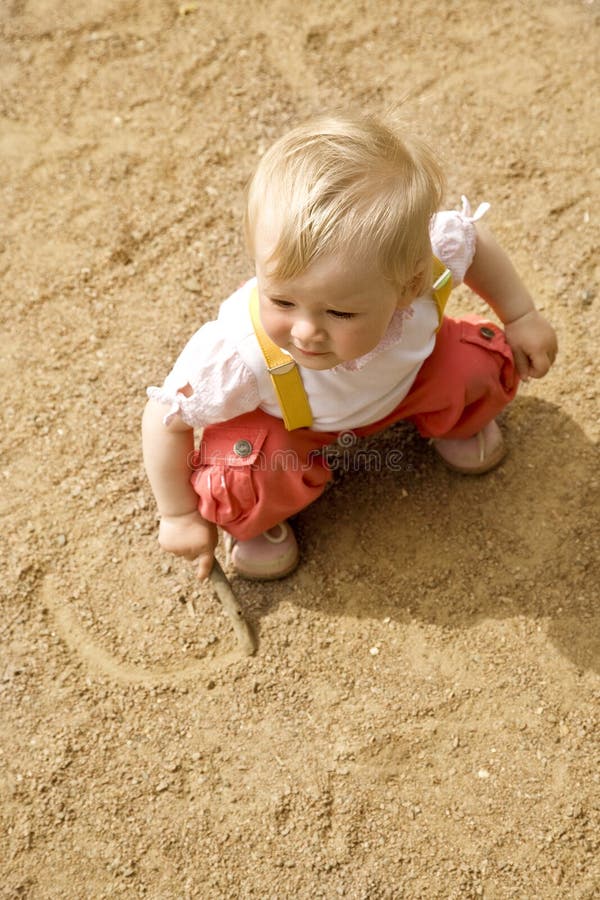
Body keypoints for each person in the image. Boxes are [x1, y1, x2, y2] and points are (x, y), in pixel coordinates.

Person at [142, 112, 557, 581]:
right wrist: (177, 514)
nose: (305, 332)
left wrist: (520, 315)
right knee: (241, 472)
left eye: (340, 313)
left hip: (407, 384)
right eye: (281, 299)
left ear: (409, 284)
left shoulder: (425, 263)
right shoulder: (239, 353)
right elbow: (165, 417)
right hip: (296, 427)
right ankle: (256, 519)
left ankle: (456, 420)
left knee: (476, 362)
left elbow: (473, 240)